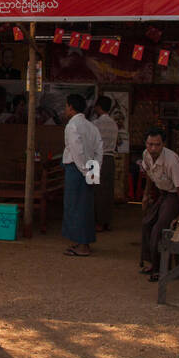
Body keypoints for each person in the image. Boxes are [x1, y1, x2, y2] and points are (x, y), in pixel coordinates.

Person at [139, 125, 179, 280]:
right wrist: (146, 195)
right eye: (150, 144)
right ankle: (150, 262)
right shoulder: (146, 155)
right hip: (163, 192)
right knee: (147, 223)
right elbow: (149, 174)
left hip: (175, 194)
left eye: (157, 145)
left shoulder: (171, 160)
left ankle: (160, 269)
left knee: (159, 228)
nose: (153, 148)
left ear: (163, 145)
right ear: (146, 144)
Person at [62, 93, 102, 257]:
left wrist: (85, 172)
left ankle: (83, 245)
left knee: (76, 207)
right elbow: (99, 150)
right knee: (85, 206)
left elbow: (77, 152)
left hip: (76, 170)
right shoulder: (91, 126)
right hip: (90, 168)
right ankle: (81, 241)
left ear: (71, 107)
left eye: (66, 106)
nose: (65, 109)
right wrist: (93, 172)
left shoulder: (72, 126)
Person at [91, 95, 119, 232]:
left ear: (98, 107)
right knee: (107, 191)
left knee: (95, 192)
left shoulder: (95, 124)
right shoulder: (114, 123)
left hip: (96, 159)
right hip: (110, 159)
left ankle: (98, 222)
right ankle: (107, 221)